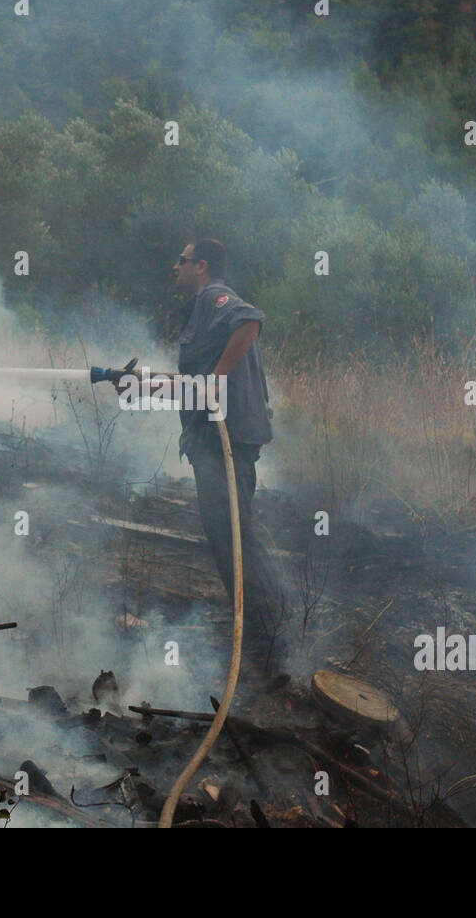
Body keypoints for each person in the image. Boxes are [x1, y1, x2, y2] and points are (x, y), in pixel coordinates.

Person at [170, 238, 287, 673]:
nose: (175, 267)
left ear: (201, 266)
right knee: (229, 533)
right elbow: (194, 379)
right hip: (214, 439)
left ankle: (265, 634)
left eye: (181, 261)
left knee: (232, 533)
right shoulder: (200, 305)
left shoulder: (215, 297)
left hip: (228, 439)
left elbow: (250, 319)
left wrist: (217, 377)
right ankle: (262, 623)